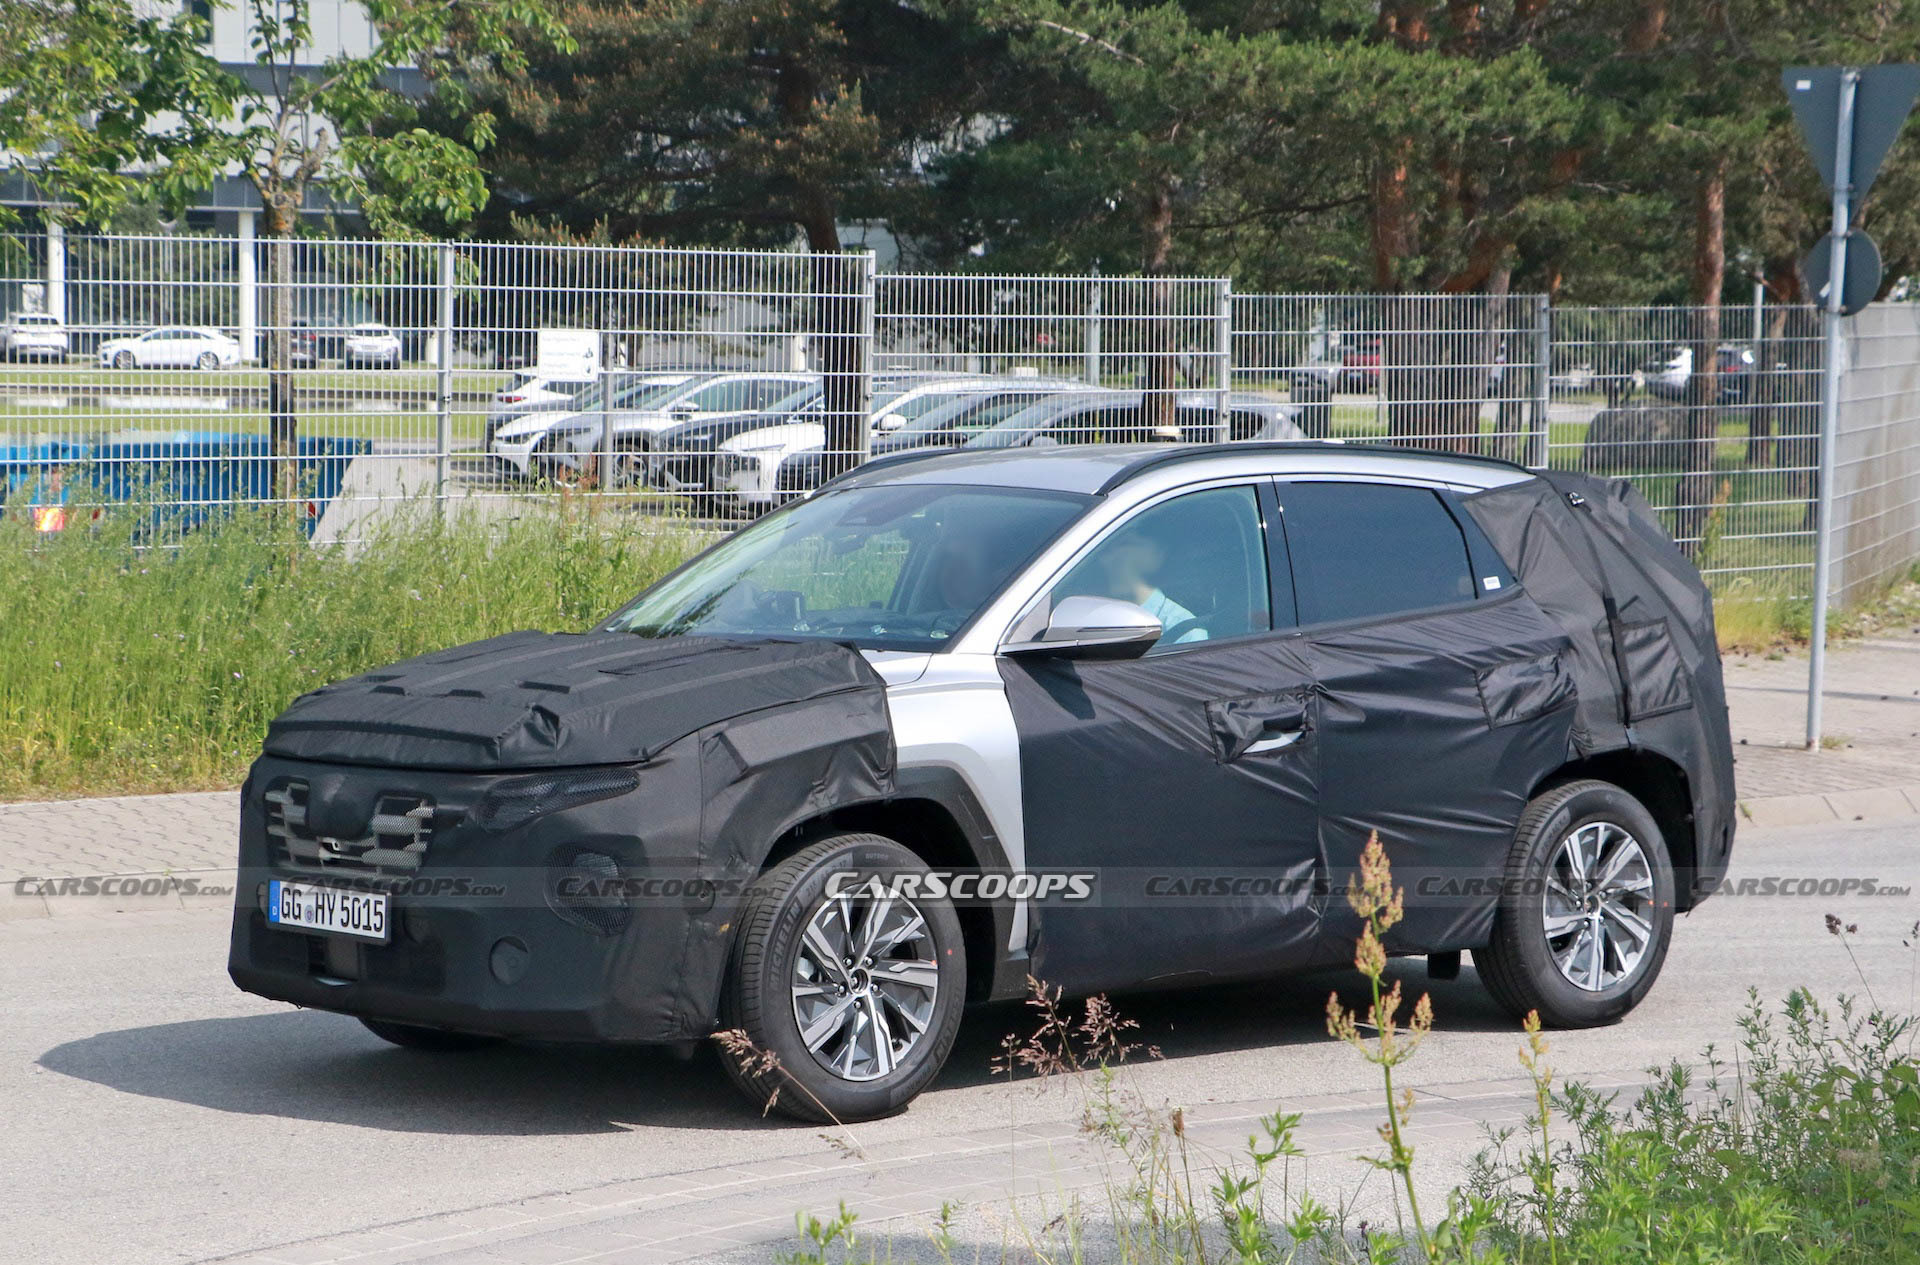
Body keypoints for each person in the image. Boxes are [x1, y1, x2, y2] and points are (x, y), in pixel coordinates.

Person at [1093, 524, 1206, 643]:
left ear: (1157, 554)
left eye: (1124, 544)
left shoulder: (1184, 633)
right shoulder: (1092, 621)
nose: (1105, 559)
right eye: (1107, 549)